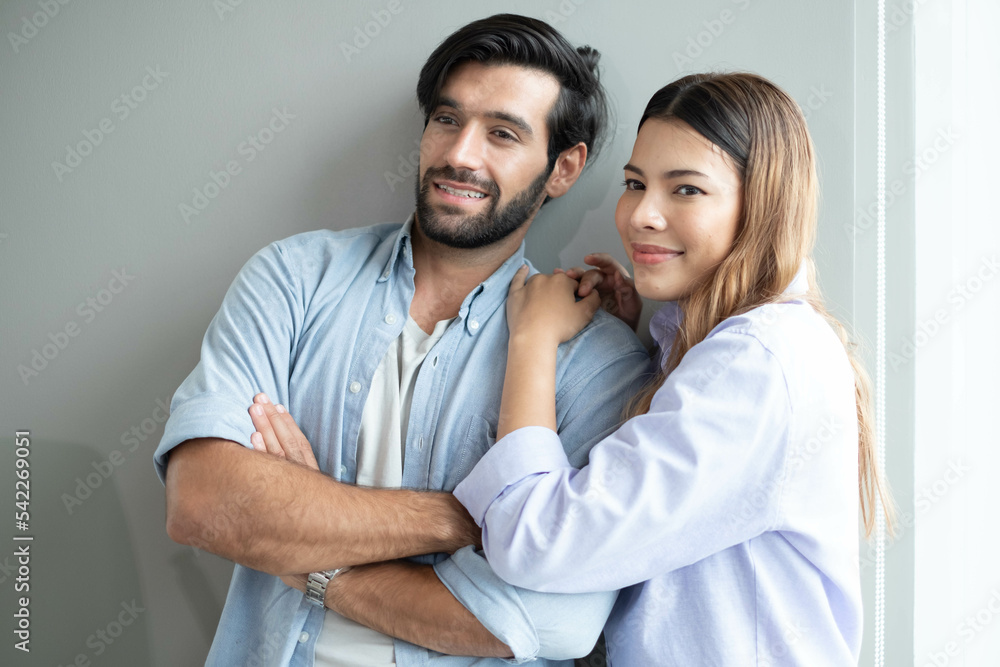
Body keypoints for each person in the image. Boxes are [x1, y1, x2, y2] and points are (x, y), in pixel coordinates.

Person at [154, 13, 651, 667]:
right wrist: (469, 516)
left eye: (502, 133)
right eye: (447, 120)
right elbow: (204, 504)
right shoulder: (295, 279)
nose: (459, 154)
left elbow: (546, 624)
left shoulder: (598, 358)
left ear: (564, 168)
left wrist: (309, 548)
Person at [454, 72, 896, 666]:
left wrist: (532, 340)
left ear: (761, 204)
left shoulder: (758, 362)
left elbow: (538, 544)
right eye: (635, 183)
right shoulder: (746, 345)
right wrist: (646, 335)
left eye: (685, 190)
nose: (641, 215)